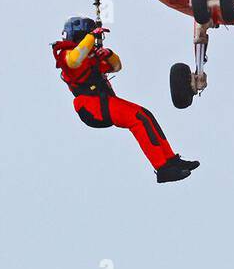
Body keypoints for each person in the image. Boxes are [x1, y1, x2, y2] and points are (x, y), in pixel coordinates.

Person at [51, 16, 199, 183]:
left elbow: (116, 66)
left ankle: (170, 159)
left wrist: (108, 54)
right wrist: (92, 37)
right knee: (137, 118)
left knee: (145, 115)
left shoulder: (89, 57)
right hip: (92, 105)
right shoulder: (66, 55)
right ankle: (163, 168)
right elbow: (74, 60)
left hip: (102, 102)